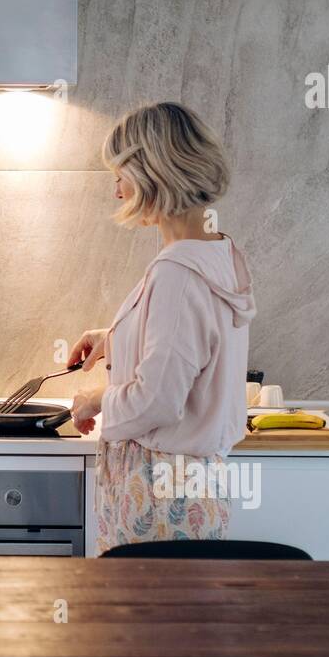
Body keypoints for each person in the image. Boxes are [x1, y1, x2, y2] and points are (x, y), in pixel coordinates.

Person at [67, 102, 255, 553]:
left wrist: (94, 399)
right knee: (185, 622)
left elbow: (158, 401)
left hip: (155, 497)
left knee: (143, 623)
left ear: (154, 173)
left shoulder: (177, 271)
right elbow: (185, 350)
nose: (117, 191)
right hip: (193, 492)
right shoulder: (216, 255)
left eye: (121, 174)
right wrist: (114, 339)